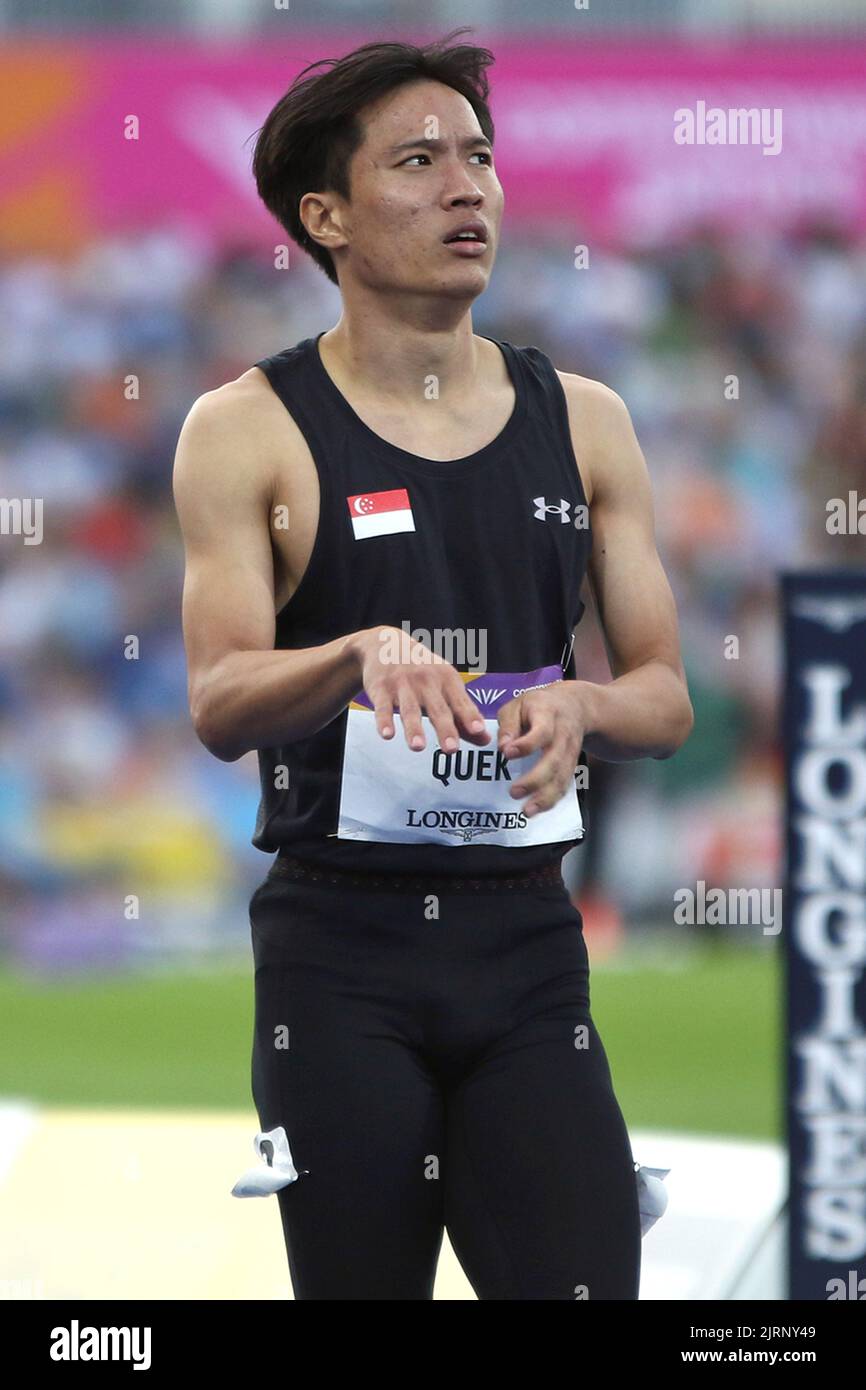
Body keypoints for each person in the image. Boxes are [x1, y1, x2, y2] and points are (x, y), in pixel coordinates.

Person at [172, 30, 694, 1300]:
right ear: (326, 216)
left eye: (478, 156)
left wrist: (580, 702)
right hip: (337, 955)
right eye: (417, 162)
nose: (467, 188)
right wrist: (350, 653)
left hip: (524, 943)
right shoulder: (246, 430)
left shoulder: (585, 418)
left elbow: (664, 696)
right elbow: (218, 700)